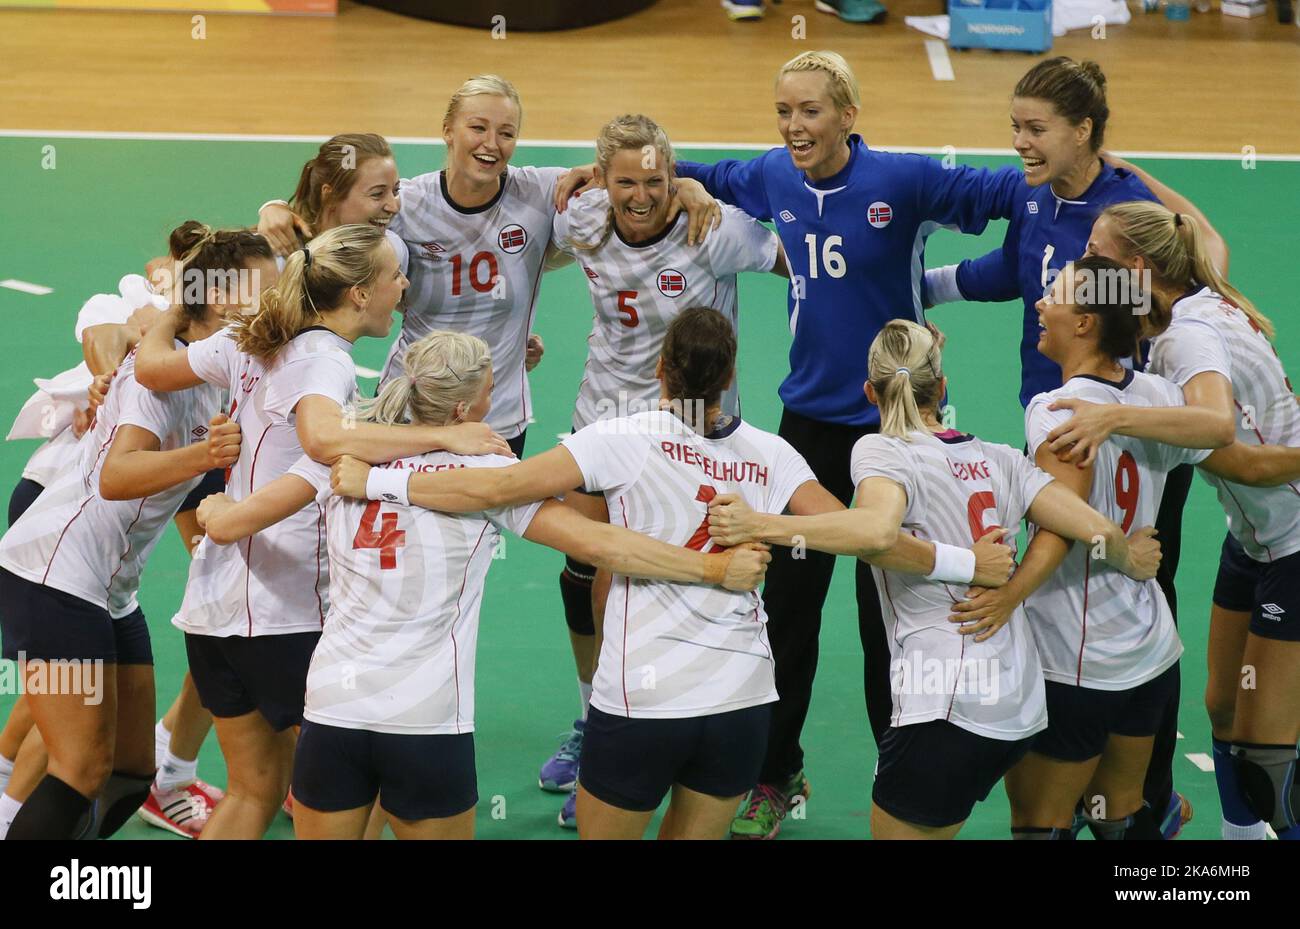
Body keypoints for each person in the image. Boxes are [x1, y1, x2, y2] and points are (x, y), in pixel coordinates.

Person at [559, 49, 1025, 838]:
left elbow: (1016, 196)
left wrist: (945, 284)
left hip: (895, 421)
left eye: (810, 110)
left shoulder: (906, 180)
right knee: (786, 611)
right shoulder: (776, 175)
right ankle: (776, 774)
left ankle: (896, 771)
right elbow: (699, 171)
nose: (794, 126)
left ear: (849, 114)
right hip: (807, 423)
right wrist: (639, 177)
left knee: (891, 612)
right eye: (784, 111)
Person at [331, 307, 1016, 838]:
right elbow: (870, 538)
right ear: (730, 374)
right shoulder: (773, 455)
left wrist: (380, 478)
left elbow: (497, 487)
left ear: (661, 369)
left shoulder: (615, 439)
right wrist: (966, 561)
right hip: (742, 701)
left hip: (643, 701)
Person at [193, 329, 774, 838]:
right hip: (426, 723)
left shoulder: (342, 460)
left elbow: (228, 523)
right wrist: (713, 569)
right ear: (466, 406)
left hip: (331, 713)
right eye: (492, 389)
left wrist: (214, 505)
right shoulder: (488, 474)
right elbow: (602, 546)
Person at [922, 57, 1229, 834]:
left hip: (1105, 422)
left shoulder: (1123, 218)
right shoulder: (1036, 200)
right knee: (1122, 567)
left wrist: (1006, 591)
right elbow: (1014, 271)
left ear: (1083, 130)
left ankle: (1142, 790)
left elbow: (1197, 268)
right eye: (1015, 127)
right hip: (1091, 409)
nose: (1020, 143)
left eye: (1036, 128)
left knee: (1118, 564)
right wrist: (921, 285)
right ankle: (1130, 800)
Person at [705, 319, 1162, 838]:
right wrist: (1131, 559)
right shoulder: (1001, 459)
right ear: (942, 388)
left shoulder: (881, 451)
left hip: (946, 706)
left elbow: (876, 531)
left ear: (869, 393)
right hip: (1018, 706)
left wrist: (759, 524)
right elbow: (1092, 526)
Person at [133, 224, 510, 839]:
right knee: (369, 773)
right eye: (393, 275)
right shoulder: (323, 359)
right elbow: (323, 441)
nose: (404, 285)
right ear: (359, 293)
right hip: (284, 613)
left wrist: (174, 308)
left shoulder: (249, 336)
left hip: (214, 609)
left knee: (253, 792)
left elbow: (151, 369)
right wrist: (445, 435)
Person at [539, 112, 786, 826]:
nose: (641, 195)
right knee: (588, 571)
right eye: (625, 182)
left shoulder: (714, 229)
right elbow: (528, 250)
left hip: (694, 429)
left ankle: (685, 721)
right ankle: (597, 720)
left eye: (656, 180)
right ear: (601, 179)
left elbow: (800, 263)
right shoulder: (582, 216)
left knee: (678, 571)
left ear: (675, 176)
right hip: (605, 418)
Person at [0, 225, 276, 839]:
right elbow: (117, 476)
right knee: (79, 768)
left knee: (129, 770)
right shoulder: (159, 376)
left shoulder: (207, 361)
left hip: (109, 588)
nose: (276, 302)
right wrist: (205, 455)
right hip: (51, 574)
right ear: (221, 300)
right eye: (266, 291)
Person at [1050, 200, 1300, 841]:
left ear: (1136, 269)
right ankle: (1240, 843)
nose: (1084, 260)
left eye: (1097, 253)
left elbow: (1225, 438)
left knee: (1266, 756)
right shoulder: (1191, 297)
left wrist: (1113, 416)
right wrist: (1126, 166)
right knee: (1223, 708)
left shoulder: (1186, 337)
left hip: (1295, 539)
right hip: (1253, 540)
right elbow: (1208, 234)